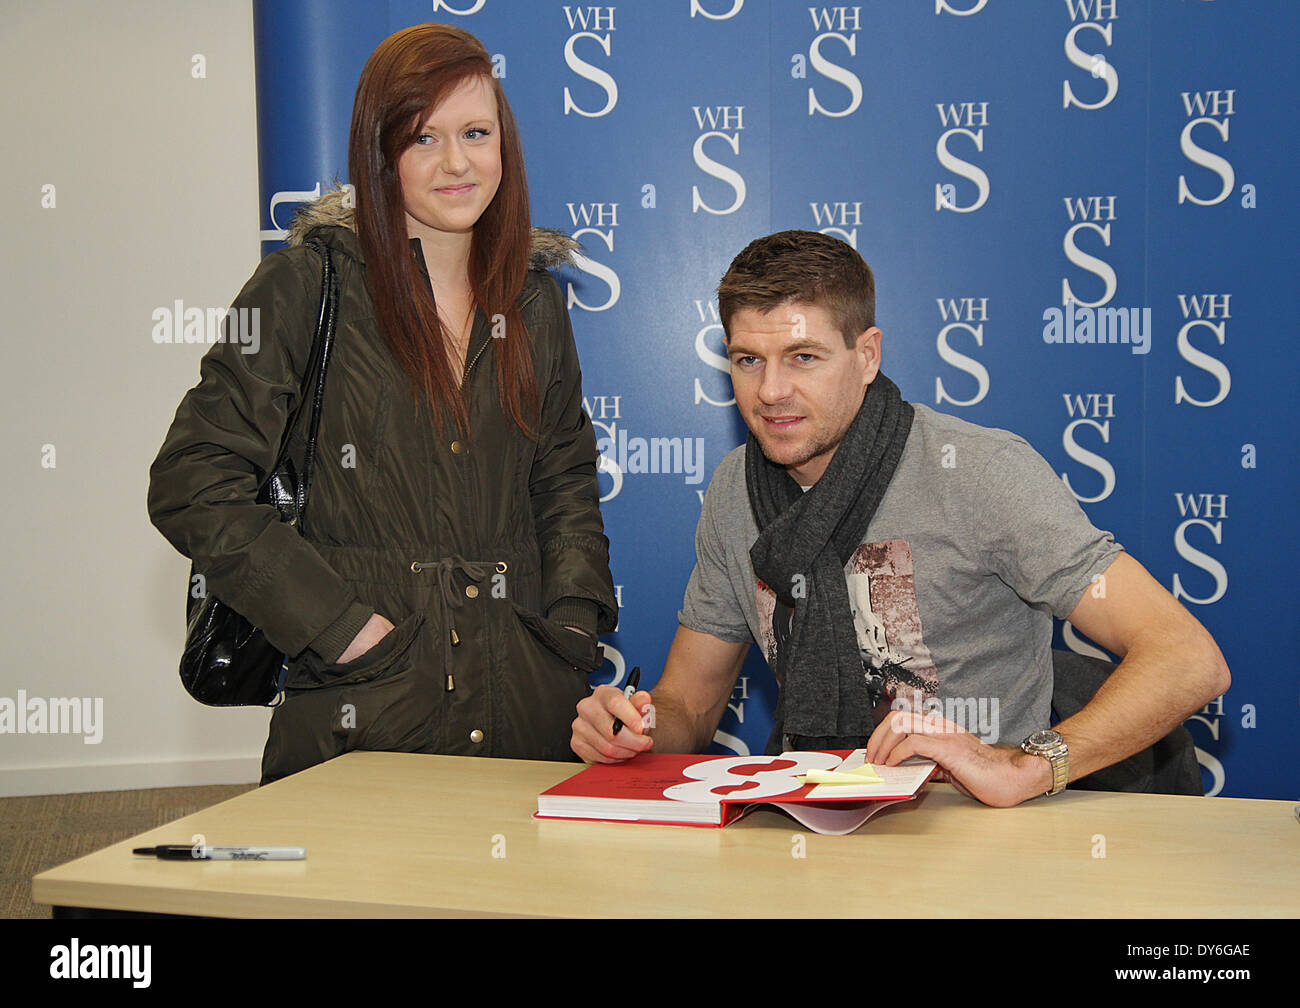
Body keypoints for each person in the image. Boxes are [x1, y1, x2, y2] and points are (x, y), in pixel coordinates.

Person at [571, 230, 1228, 807]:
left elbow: (1187, 658)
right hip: (812, 821)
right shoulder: (734, 492)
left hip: (981, 839)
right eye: (749, 360)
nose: (771, 391)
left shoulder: (979, 472)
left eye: (803, 357)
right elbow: (691, 702)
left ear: (867, 355)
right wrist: (640, 728)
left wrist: (1028, 767)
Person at [150, 24, 616, 783]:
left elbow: (563, 479)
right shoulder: (304, 287)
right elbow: (192, 483)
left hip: (527, 720)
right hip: (363, 724)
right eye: (423, 138)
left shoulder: (534, 303)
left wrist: (569, 628)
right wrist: (338, 627)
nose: (457, 162)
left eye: (475, 132)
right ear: (379, 151)